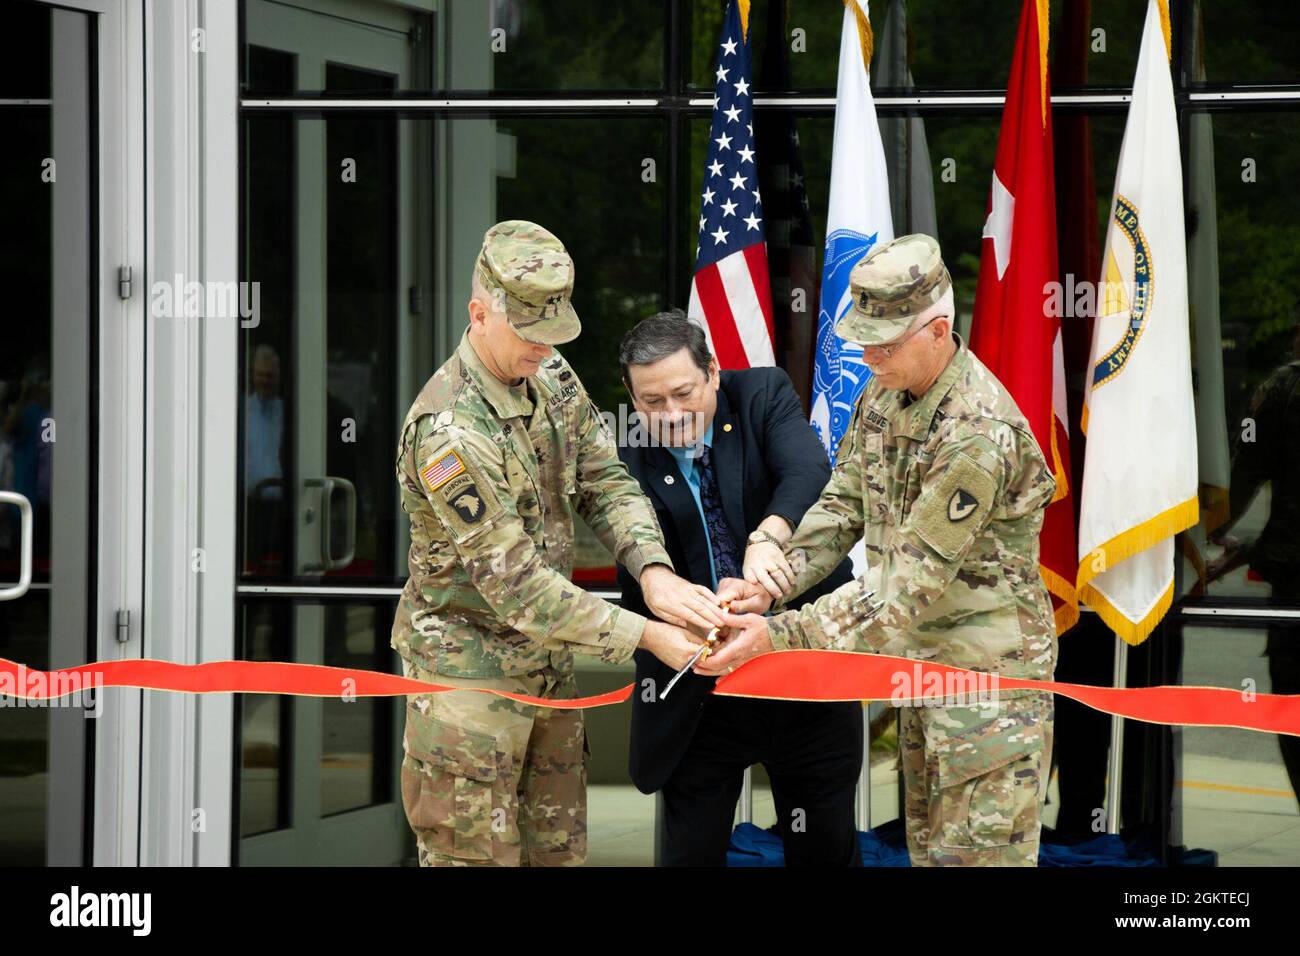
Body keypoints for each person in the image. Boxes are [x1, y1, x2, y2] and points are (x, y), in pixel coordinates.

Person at [701, 234, 1059, 867]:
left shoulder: (976, 433)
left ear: (938, 331)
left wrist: (776, 634)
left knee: (977, 861)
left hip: (986, 688)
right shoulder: (887, 389)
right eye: (861, 337)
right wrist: (770, 582)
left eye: (883, 342)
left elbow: (906, 586)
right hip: (921, 669)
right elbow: (843, 505)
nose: (866, 354)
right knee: (928, 854)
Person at [391, 220, 717, 867]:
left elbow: (604, 478)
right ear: (478, 313)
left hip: (549, 678)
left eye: (554, 333)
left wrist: (653, 571)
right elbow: (518, 589)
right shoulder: (451, 432)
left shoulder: (551, 374)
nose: (544, 349)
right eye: (529, 334)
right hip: (471, 694)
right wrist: (647, 634)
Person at [616, 309, 861, 866]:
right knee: (691, 851)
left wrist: (768, 537)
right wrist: (676, 605)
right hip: (696, 681)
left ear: (714, 373)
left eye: (683, 392)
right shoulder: (620, 450)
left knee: (823, 843)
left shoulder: (762, 394)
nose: (671, 415)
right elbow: (630, 562)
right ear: (632, 400)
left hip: (797, 662)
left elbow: (808, 472)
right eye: (652, 402)